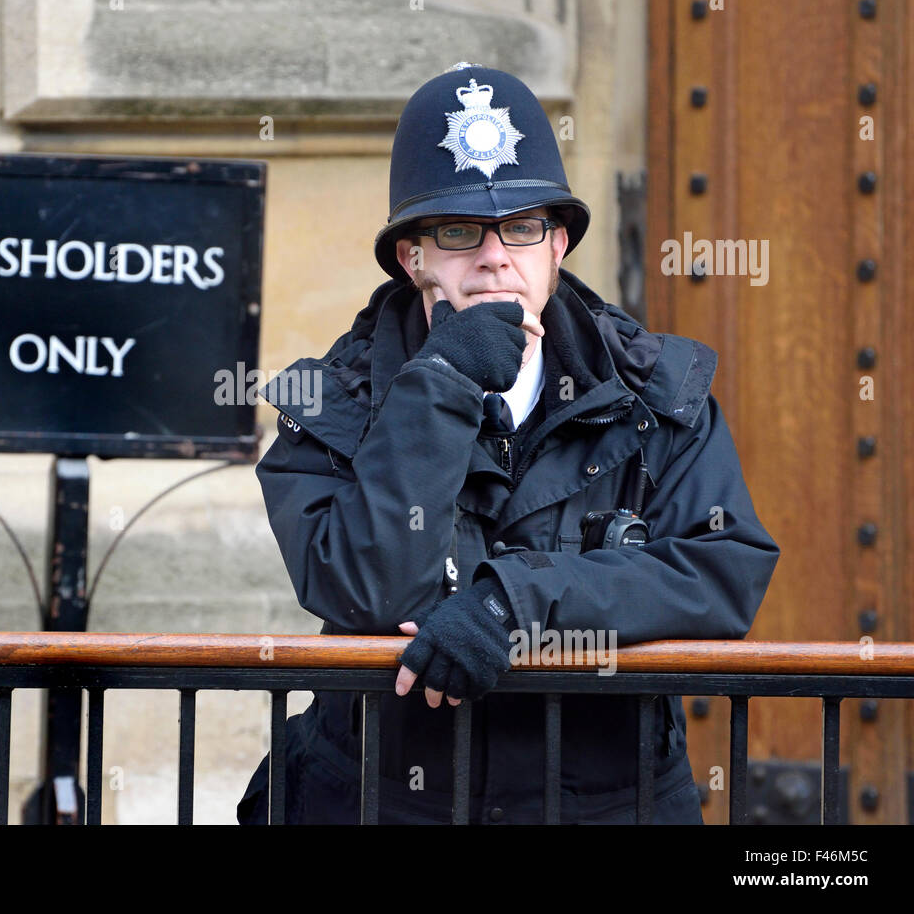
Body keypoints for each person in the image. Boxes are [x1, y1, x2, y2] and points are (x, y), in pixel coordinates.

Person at [236, 63, 780, 824]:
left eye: (523, 227)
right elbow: (368, 589)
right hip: (382, 803)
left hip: (604, 806)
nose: (495, 256)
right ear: (411, 256)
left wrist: (515, 604)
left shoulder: (659, 392)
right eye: (458, 232)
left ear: (558, 245)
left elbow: (724, 571)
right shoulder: (327, 404)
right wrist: (442, 382)